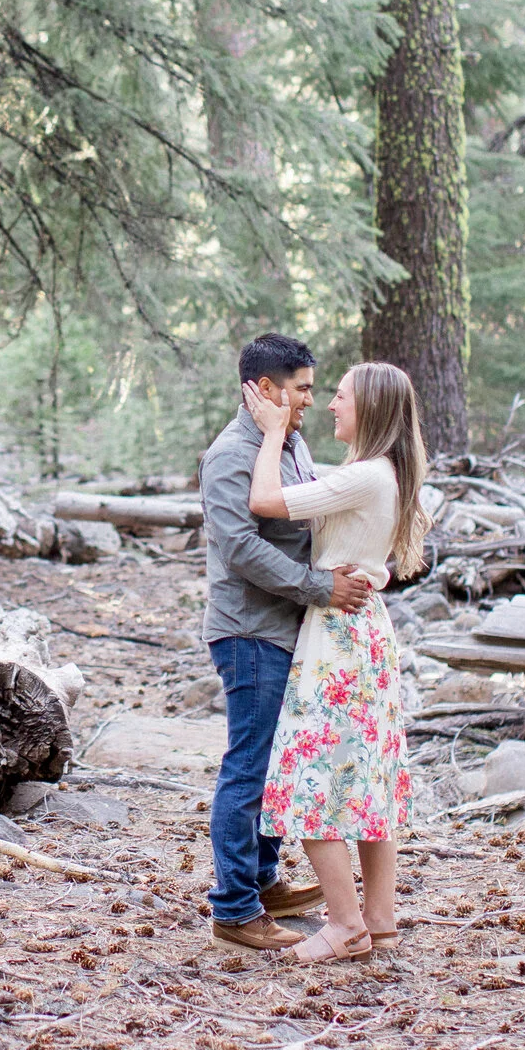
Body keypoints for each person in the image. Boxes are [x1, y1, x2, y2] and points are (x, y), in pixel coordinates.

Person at [242, 360, 426, 963]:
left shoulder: (368, 476)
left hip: (341, 641)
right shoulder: (371, 473)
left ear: (368, 408)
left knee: (312, 780)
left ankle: (346, 926)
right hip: (362, 635)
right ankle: (379, 919)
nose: (329, 406)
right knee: (363, 782)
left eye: (340, 397)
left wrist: (272, 432)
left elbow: (266, 499)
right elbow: (306, 483)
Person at [199, 334, 376, 951]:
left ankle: (264, 881)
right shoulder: (229, 456)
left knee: (277, 766)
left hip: (287, 628)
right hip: (250, 631)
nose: (309, 400)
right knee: (249, 767)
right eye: (301, 387)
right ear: (266, 389)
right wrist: (318, 588)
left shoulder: (290, 443)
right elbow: (240, 549)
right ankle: (234, 909)